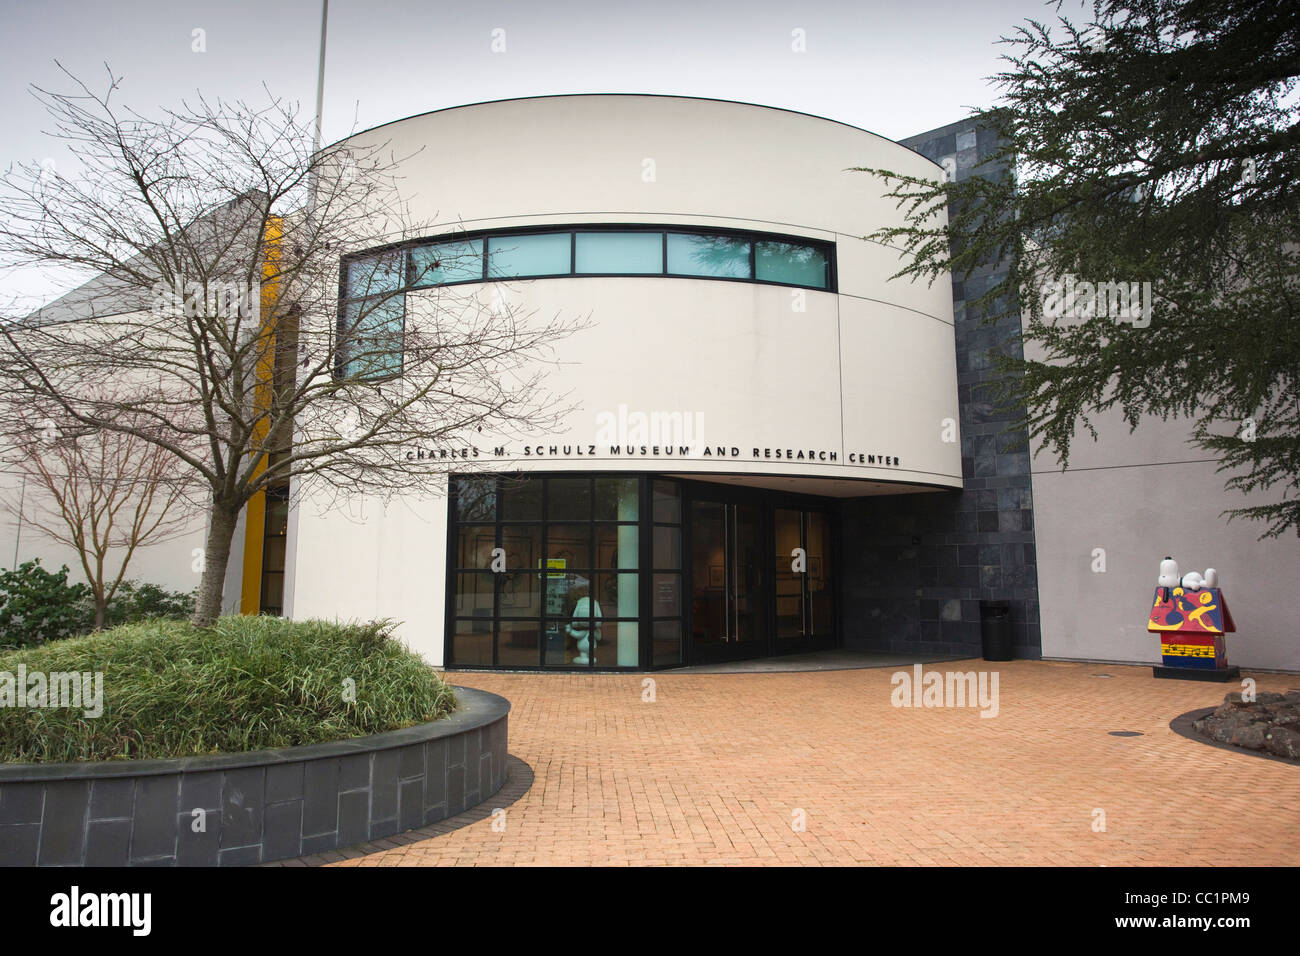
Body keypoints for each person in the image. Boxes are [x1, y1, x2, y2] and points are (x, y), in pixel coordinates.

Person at [566, 579, 603, 665]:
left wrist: (571, 630)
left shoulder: (580, 602)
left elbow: (578, 633)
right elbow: (599, 618)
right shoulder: (594, 602)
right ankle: (587, 657)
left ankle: (585, 657)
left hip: (584, 646)